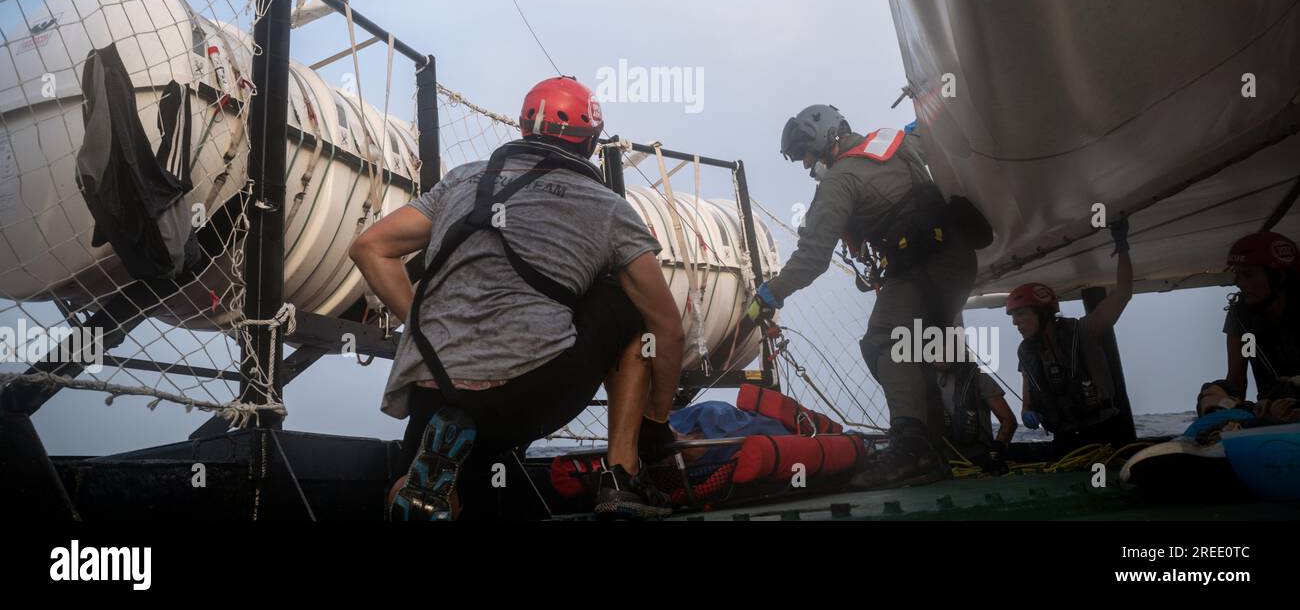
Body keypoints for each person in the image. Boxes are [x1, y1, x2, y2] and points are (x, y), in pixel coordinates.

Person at [350, 76, 685, 520]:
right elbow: (667, 328)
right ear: (590, 142)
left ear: (525, 128)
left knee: (437, 485)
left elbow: (368, 247)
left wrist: (422, 321)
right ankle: (621, 476)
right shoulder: (609, 208)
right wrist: (656, 421)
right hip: (524, 392)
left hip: (432, 383)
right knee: (628, 304)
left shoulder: (462, 179)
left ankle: (426, 483)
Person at [752, 105, 982, 489]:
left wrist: (769, 295)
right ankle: (934, 449)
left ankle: (913, 450)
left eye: (807, 153)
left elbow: (812, 258)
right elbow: (938, 137)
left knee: (884, 341)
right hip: (954, 260)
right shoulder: (894, 142)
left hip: (925, 268)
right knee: (911, 351)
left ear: (827, 137)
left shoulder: (839, 181)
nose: (808, 164)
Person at [1009, 220, 1136, 455]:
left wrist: (1122, 248)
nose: (1015, 322)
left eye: (1021, 314)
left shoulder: (1085, 330)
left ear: (1043, 312)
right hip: (1065, 439)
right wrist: (1027, 412)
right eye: (1013, 317)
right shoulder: (1027, 351)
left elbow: (1123, 294)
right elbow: (1027, 401)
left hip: (1104, 433)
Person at [1220, 231, 1300, 402]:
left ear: (1279, 276)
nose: (1239, 283)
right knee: (1211, 394)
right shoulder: (1243, 320)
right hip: (1274, 411)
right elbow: (1237, 379)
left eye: (1248, 274)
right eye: (1237, 274)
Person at [932, 357, 1017, 473]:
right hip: (940, 462)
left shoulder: (978, 376)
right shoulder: (921, 381)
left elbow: (1009, 420)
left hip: (979, 459)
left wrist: (997, 452)